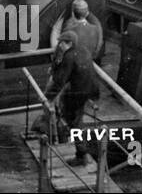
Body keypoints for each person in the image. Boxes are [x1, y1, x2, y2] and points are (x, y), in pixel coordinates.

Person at [43, 30, 100, 167]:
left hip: (78, 94)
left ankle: (81, 154)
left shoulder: (69, 56)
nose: (59, 45)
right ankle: (78, 145)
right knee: (76, 119)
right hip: (89, 90)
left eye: (61, 43)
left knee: (74, 123)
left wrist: (48, 97)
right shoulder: (83, 50)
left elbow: (60, 80)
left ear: (68, 43)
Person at [62, 0, 103, 64]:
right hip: (90, 61)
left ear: (73, 13)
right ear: (87, 12)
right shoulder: (95, 28)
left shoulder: (69, 30)